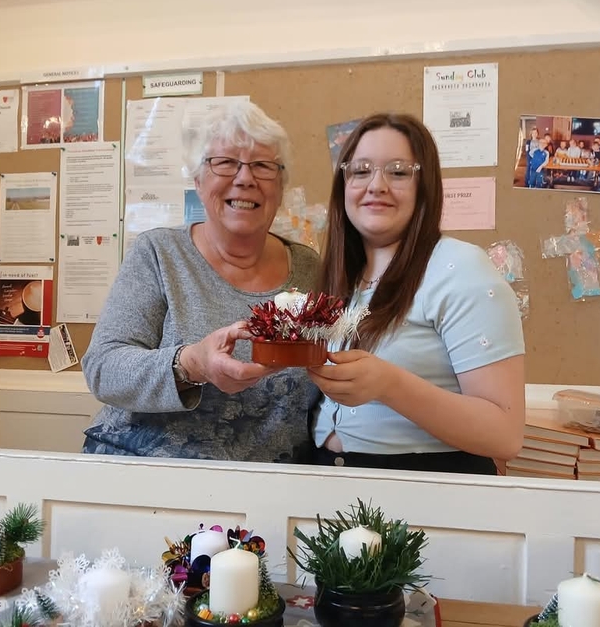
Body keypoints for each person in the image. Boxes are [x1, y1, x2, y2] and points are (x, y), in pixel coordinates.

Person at [81, 100, 320, 462]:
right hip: (144, 473)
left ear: (281, 186)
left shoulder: (310, 269)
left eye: (262, 165)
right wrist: (191, 364)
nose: (245, 178)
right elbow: (102, 368)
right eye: (225, 162)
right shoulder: (159, 254)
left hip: (270, 485)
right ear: (198, 180)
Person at [308, 113, 525, 474]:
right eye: (361, 171)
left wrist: (389, 384)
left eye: (398, 172)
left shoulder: (461, 269)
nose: (376, 185)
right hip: (331, 480)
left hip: (426, 488)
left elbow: (505, 436)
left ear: (424, 186)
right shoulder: (342, 277)